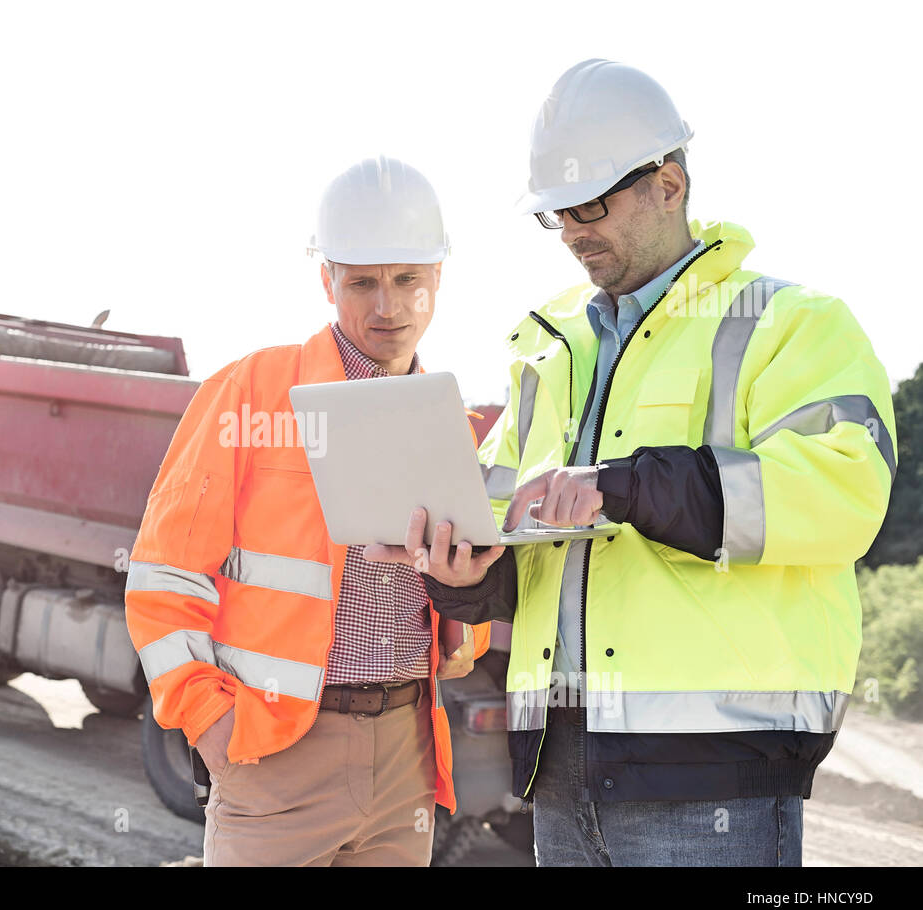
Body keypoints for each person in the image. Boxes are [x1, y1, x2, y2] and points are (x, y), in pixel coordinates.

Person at [366, 59, 897, 866]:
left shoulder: (790, 324)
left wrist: (625, 487)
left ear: (669, 184)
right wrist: (464, 575)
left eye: (588, 205)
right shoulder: (550, 352)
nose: (574, 232)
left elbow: (844, 491)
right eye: (556, 215)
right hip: (559, 776)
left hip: (716, 780)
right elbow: (516, 546)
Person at [125, 156, 488, 866]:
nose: (387, 307)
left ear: (438, 280)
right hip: (274, 755)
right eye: (362, 283)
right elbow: (163, 580)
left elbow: (462, 623)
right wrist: (213, 727)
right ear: (327, 280)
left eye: (408, 280)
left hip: (406, 761)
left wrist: (465, 603)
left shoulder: (456, 427)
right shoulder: (251, 394)